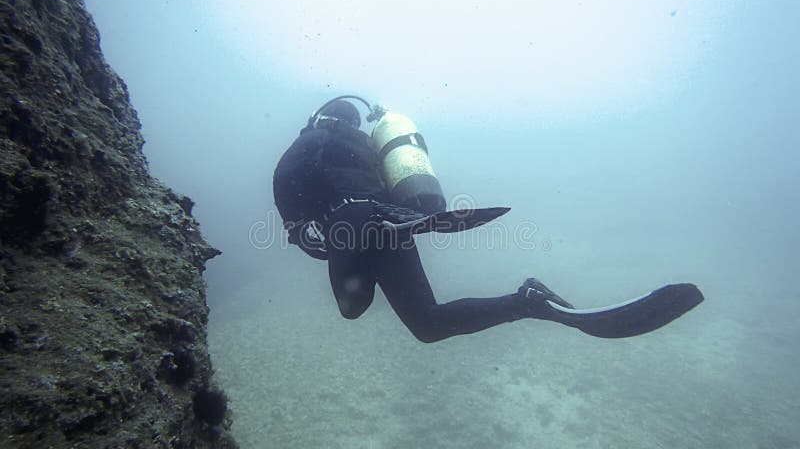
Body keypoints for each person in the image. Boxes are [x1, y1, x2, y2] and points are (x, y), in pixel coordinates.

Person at [273, 96, 703, 343]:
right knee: (427, 324)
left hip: (350, 222)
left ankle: (526, 301)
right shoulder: (367, 147)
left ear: (318, 119)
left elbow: (286, 175)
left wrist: (295, 227)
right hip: (388, 226)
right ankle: (527, 302)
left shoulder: (313, 139)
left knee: (354, 309)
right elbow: (395, 183)